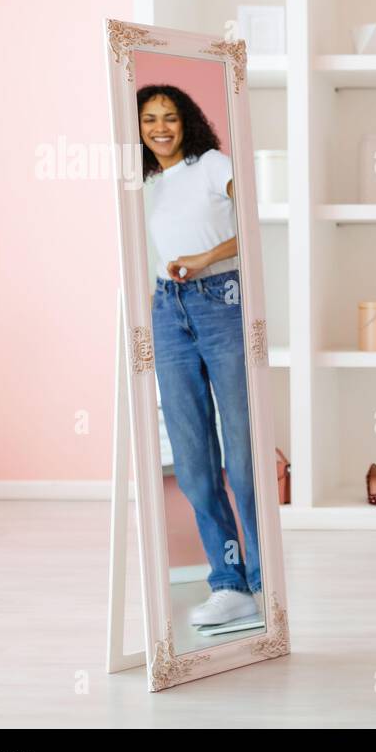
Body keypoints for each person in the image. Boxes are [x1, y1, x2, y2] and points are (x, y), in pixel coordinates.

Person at [139, 83, 263, 628]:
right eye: (149, 119)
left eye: (169, 116)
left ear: (186, 120)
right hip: (168, 310)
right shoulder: (142, 185)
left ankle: (264, 578)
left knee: (243, 454)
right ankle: (229, 581)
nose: (160, 127)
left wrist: (204, 256)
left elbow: (251, 218)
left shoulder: (212, 164)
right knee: (193, 462)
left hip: (221, 297)